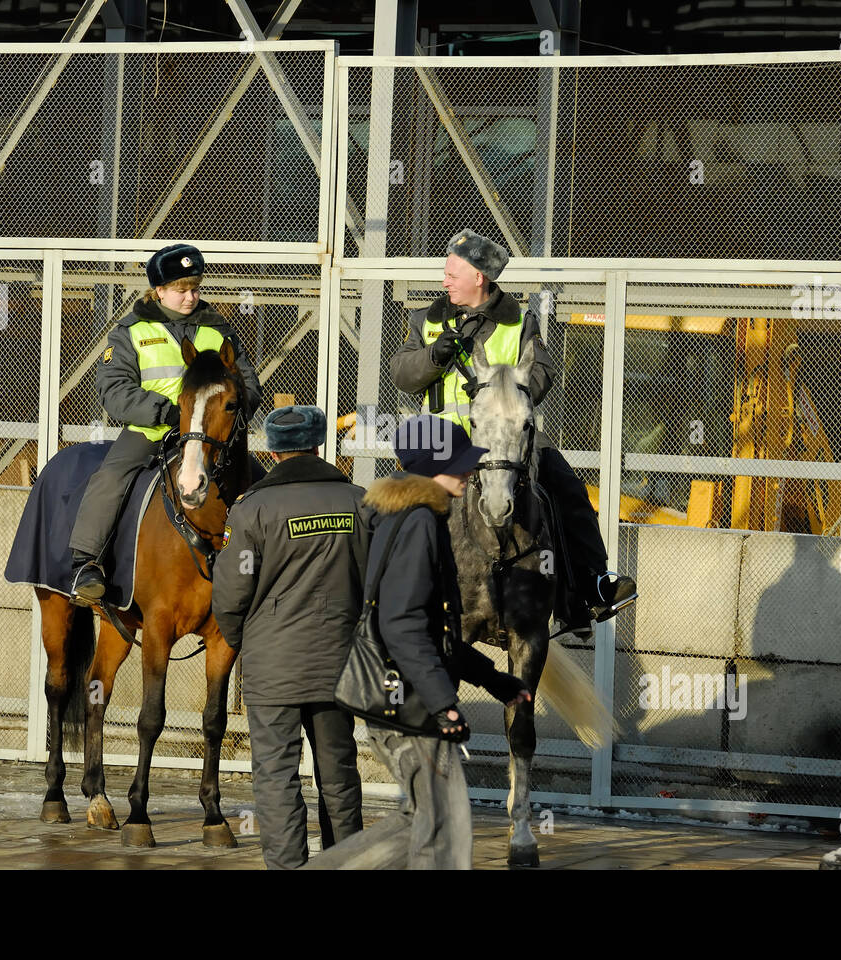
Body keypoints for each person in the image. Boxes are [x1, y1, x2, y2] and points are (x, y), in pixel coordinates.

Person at [304, 414, 530, 870]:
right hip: (407, 702)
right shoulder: (419, 522)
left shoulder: (414, 515)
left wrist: (494, 681)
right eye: (460, 462)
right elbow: (404, 624)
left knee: (427, 819)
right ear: (430, 468)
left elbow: (435, 629)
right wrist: (443, 702)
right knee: (441, 821)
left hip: (408, 698)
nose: (471, 471)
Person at [389, 228, 636, 632]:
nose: (444, 280)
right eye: (446, 272)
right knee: (394, 501)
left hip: (502, 436)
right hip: (438, 436)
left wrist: (502, 390)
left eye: (452, 273)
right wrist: (434, 355)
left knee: (564, 486)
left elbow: (541, 371)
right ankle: (386, 592)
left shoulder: (521, 321)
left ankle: (591, 588)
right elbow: (402, 374)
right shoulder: (426, 319)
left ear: (478, 277)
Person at [210, 405, 368, 870]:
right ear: (320, 445)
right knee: (339, 775)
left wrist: (245, 641)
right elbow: (376, 580)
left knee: (276, 776)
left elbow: (230, 593)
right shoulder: (359, 502)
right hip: (340, 665)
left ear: (273, 451)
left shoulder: (253, 509)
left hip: (273, 668)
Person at [69, 243, 263, 603]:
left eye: (195, 288)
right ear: (159, 290)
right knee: (112, 477)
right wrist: (168, 412)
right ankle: (86, 564)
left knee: (259, 481)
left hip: (211, 437)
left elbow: (250, 384)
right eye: (181, 289)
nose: (190, 297)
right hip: (151, 431)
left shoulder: (219, 330)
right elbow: (114, 391)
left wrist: (229, 411)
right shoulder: (130, 331)